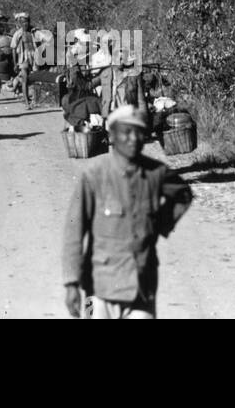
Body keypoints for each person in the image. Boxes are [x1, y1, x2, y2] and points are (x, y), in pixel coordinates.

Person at [62, 105, 194, 320]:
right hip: (96, 289)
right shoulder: (94, 176)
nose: (133, 138)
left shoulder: (156, 173)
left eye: (139, 132)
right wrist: (71, 283)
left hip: (141, 288)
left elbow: (182, 193)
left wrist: (160, 223)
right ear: (112, 136)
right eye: (126, 132)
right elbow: (73, 233)